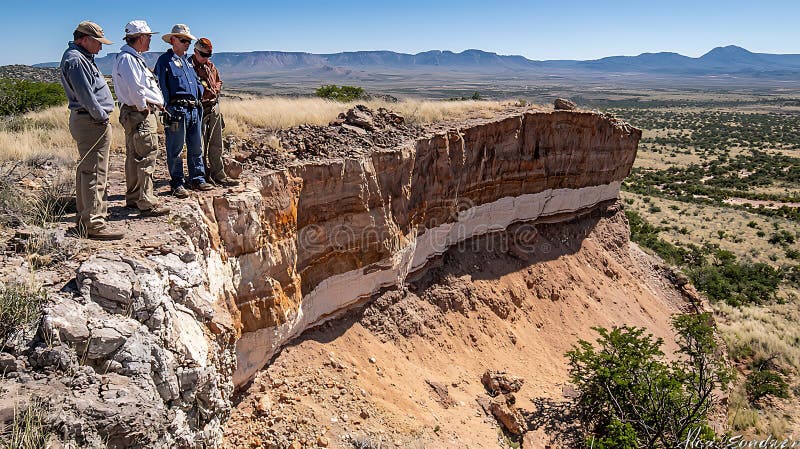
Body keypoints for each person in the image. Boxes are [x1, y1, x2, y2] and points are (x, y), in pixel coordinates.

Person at [59, 21, 123, 240]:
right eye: (98, 42)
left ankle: (85, 218)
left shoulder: (81, 57)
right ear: (84, 39)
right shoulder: (76, 60)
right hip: (91, 122)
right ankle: (94, 223)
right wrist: (102, 116)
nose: (101, 47)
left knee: (89, 170)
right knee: (95, 172)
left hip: (90, 121)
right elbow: (86, 95)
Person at [112, 20, 170, 217]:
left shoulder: (131, 57)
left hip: (136, 112)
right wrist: (144, 107)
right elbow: (136, 88)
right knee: (147, 154)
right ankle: (146, 201)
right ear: (141, 38)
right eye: (149, 37)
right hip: (139, 113)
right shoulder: (128, 59)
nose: (151, 40)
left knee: (135, 155)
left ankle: (135, 197)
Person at [154, 24, 211, 198]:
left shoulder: (187, 62)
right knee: (175, 148)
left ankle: (197, 179)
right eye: (183, 40)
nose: (187, 43)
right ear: (173, 40)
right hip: (177, 110)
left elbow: (196, 83)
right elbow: (160, 86)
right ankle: (177, 183)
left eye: (188, 41)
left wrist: (201, 94)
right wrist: (165, 108)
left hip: (194, 110)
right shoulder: (165, 61)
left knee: (196, 147)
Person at [191, 38, 238, 187]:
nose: (206, 58)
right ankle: (201, 177)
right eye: (204, 55)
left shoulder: (210, 66)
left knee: (217, 144)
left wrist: (216, 89)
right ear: (195, 52)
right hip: (200, 108)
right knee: (200, 146)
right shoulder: (188, 67)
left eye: (209, 55)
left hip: (214, 107)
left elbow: (219, 81)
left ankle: (219, 175)